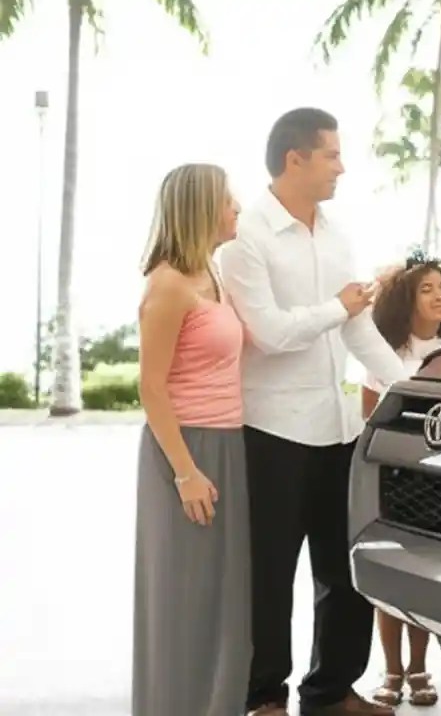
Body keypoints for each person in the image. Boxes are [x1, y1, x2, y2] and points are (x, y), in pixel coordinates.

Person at [219, 107, 410, 716]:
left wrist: (411, 388)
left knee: (345, 569)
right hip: (271, 431)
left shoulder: (335, 233)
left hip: (339, 428)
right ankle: (263, 697)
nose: (342, 166)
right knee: (269, 577)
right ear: (294, 158)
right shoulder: (243, 237)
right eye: (331, 154)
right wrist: (338, 305)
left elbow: (358, 333)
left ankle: (330, 693)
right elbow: (270, 333)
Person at [133, 163, 250, 716]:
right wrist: (185, 472)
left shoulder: (213, 274)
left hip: (225, 447)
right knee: (184, 598)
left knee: (220, 599)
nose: (237, 209)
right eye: (229, 201)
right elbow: (151, 387)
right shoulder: (167, 285)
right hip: (187, 454)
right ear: (202, 208)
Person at [362, 250, 441, 707]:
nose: (439, 297)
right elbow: (370, 419)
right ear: (406, 301)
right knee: (390, 578)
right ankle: (391, 670)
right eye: (427, 290)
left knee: (424, 577)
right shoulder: (386, 354)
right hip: (395, 479)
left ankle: (420, 668)